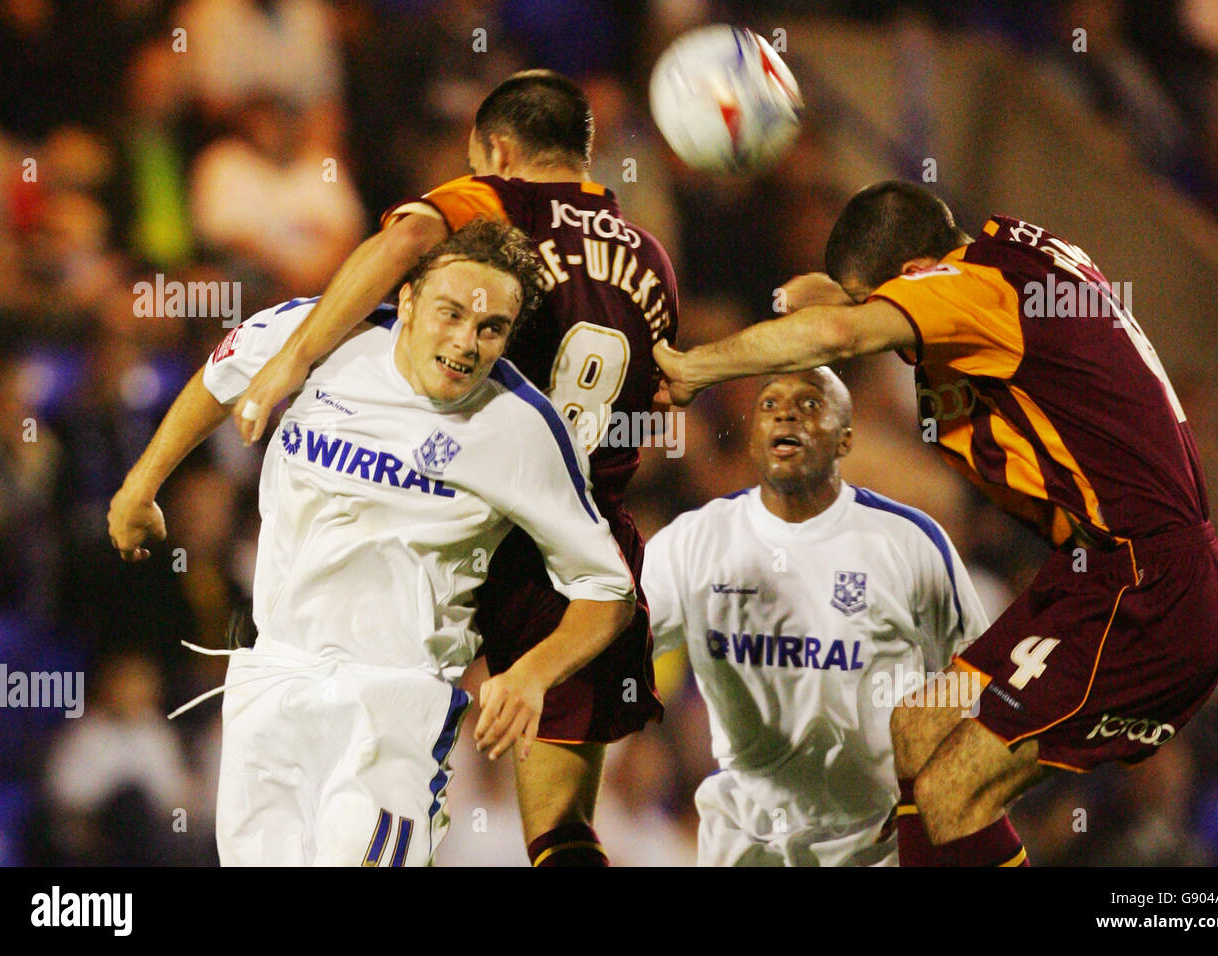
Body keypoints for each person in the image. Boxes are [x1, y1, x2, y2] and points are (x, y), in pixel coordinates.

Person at [654, 180, 1218, 867]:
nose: (897, 345)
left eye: (890, 313)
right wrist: (859, 299)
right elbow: (903, 313)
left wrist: (697, 365)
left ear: (918, 274)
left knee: (954, 792)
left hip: (1146, 593)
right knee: (919, 727)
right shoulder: (1018, 258)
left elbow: (843, 331)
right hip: (1104, 578)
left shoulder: (978, 289)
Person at [228, 70, 678, 866]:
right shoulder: (651, 258)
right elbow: (662, 390)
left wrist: (295, 361)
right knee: (561, 835)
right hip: (578, 554)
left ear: (496, 149)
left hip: (456, 519)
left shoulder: (496, 206)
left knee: (375, 762)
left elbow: (403, 241)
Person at [106, 219, 637, 865]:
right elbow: (219, 380)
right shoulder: (317, 337)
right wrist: (144, 483)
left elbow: (608, 591)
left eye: (491, 327)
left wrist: (531, 674)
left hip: (395, 710)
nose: (467, 342)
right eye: (451, 313)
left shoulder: (521, 430)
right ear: (408, 299)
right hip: (273, 679)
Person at [643, 368, 987, 866]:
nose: (785, 418)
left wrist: (923, 779)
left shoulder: (913, 545)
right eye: (769, 408)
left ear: (845, 441)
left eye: (807, 408)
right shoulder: (699, 540)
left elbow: (976, 684)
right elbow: (609, 633)